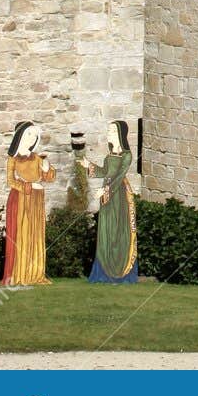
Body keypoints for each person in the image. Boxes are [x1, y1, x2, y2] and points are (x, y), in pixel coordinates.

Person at [1, 122, 54, 287]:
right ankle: (20, 273)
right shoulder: (13, 158)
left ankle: (34, 273)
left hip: (37, 200)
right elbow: (10, 181)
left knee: (35, 235)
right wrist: (28, 186)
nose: (32, 138)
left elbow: (49, 177)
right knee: (22, 234)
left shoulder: (37, 157)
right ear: (21, 135)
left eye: (34, 135)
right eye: (29, 134)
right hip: (21, 199)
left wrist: (46, 167)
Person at [85, 120, 138, 283]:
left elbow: (119, 176)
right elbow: (104, 172)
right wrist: (87, 164)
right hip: (106, 195)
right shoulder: (109, 155)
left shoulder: (126, 155)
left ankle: (119, 269)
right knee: (106, 229)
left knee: (118, 229)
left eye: (111, 131)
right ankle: (103, 270)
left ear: (119, 134)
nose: (108, 133)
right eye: (108, 130)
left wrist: (105, 190)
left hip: (119, 195)